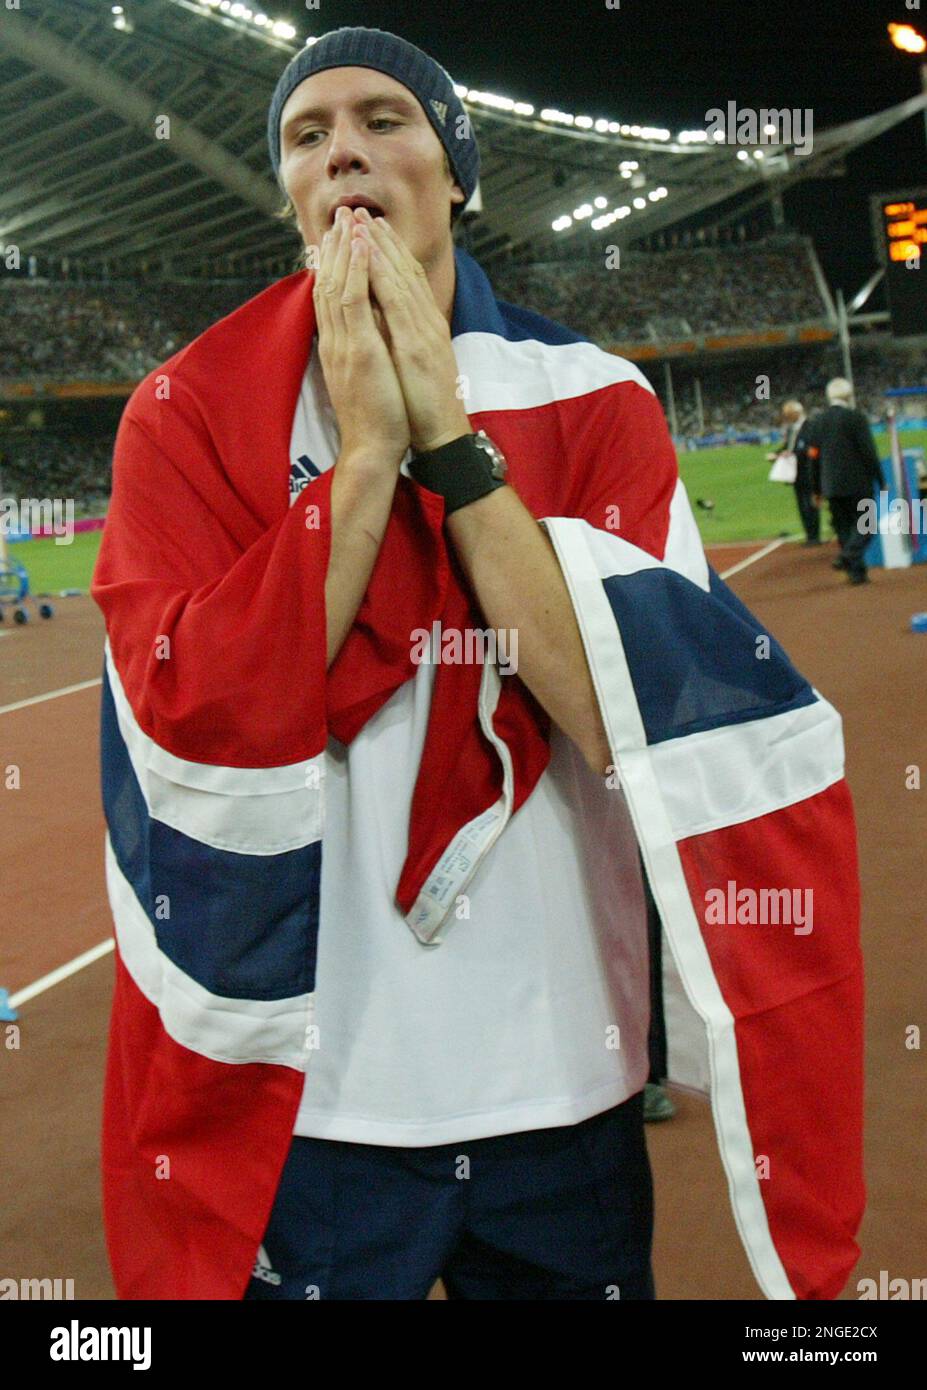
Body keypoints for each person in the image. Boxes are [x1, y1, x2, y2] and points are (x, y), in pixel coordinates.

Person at [91, 27, 865, 1302]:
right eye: (306, 133)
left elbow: (624, 711)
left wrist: (444, 438)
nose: (342, 148)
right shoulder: (186, 412)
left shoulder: (596, 394)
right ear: (287, 185)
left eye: (384, 119)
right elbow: (199, 711)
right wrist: (361, 458)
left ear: (456, 170)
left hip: (565, 1070)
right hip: (317, 1089)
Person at [807, 377, 885, 585]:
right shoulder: (856, 418)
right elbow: (868, 451)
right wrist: (880, 478)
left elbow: (813, 458)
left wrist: (816, 489)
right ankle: (847, 558)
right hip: (858, 483)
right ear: (849, 396)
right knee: (866, 525)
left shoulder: (817, 422)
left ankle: (856, 574)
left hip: (831, 485)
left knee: (844, 529)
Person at [771, 399, 819, 545]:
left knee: (809, 503)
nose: (788, 418)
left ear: (796, 413)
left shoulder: (810, 426)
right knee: (801, 503)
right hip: (794, 472)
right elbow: (788, 446)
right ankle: (809, 534)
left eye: (789, 415)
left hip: (808, 470)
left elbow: (812, 448)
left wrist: (792, 453)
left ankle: (814, 535)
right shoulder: (792, 429)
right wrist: (777, 454)